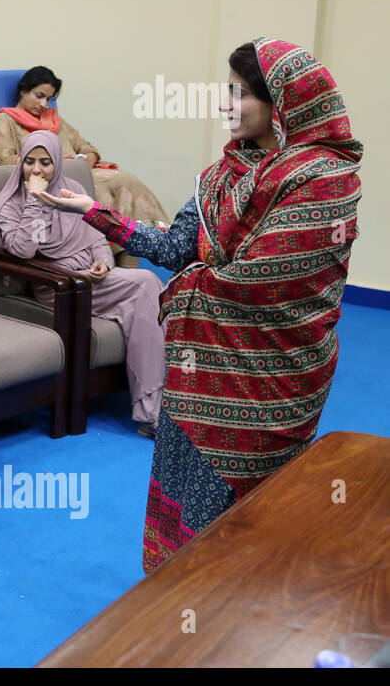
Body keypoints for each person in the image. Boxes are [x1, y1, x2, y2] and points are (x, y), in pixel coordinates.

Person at [35, 38, 361, 572]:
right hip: (198, 374)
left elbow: (263, 281)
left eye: (239, 94)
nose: (224, 105)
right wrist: (92, 209)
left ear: (281, 102)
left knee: (256, 518)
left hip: (271, 373)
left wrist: (182, 291)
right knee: (188, 496)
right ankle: (179, 597)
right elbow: (175, 246)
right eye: (225, 91)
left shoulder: (325, 178)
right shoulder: (222, 175)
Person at [0, 131, 165, 435]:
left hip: (95, 279)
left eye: (46, 163)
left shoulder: (71, 189)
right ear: (20, 163)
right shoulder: (10, 203)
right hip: (59, 286)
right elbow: (23, 250)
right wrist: (36, 202)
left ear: (57, 163)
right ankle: (152, 408)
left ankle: (154, 403)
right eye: (30, 162)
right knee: (146, 284)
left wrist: (105, 262)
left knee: (149, 292)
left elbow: (97, 235)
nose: (37, 170)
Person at [0, 66, 169, 229]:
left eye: (48, 99)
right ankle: (118, 251)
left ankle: (157, 238)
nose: (44, 104)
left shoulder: (53, 120)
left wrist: (84, 165)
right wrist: (51, 166)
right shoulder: (6, 120)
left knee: (127, 180)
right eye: (39, 96)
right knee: (102, 192)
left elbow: (87, 148)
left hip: (82, 172)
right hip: (50, 178)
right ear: (23, 91)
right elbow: (5, 160)